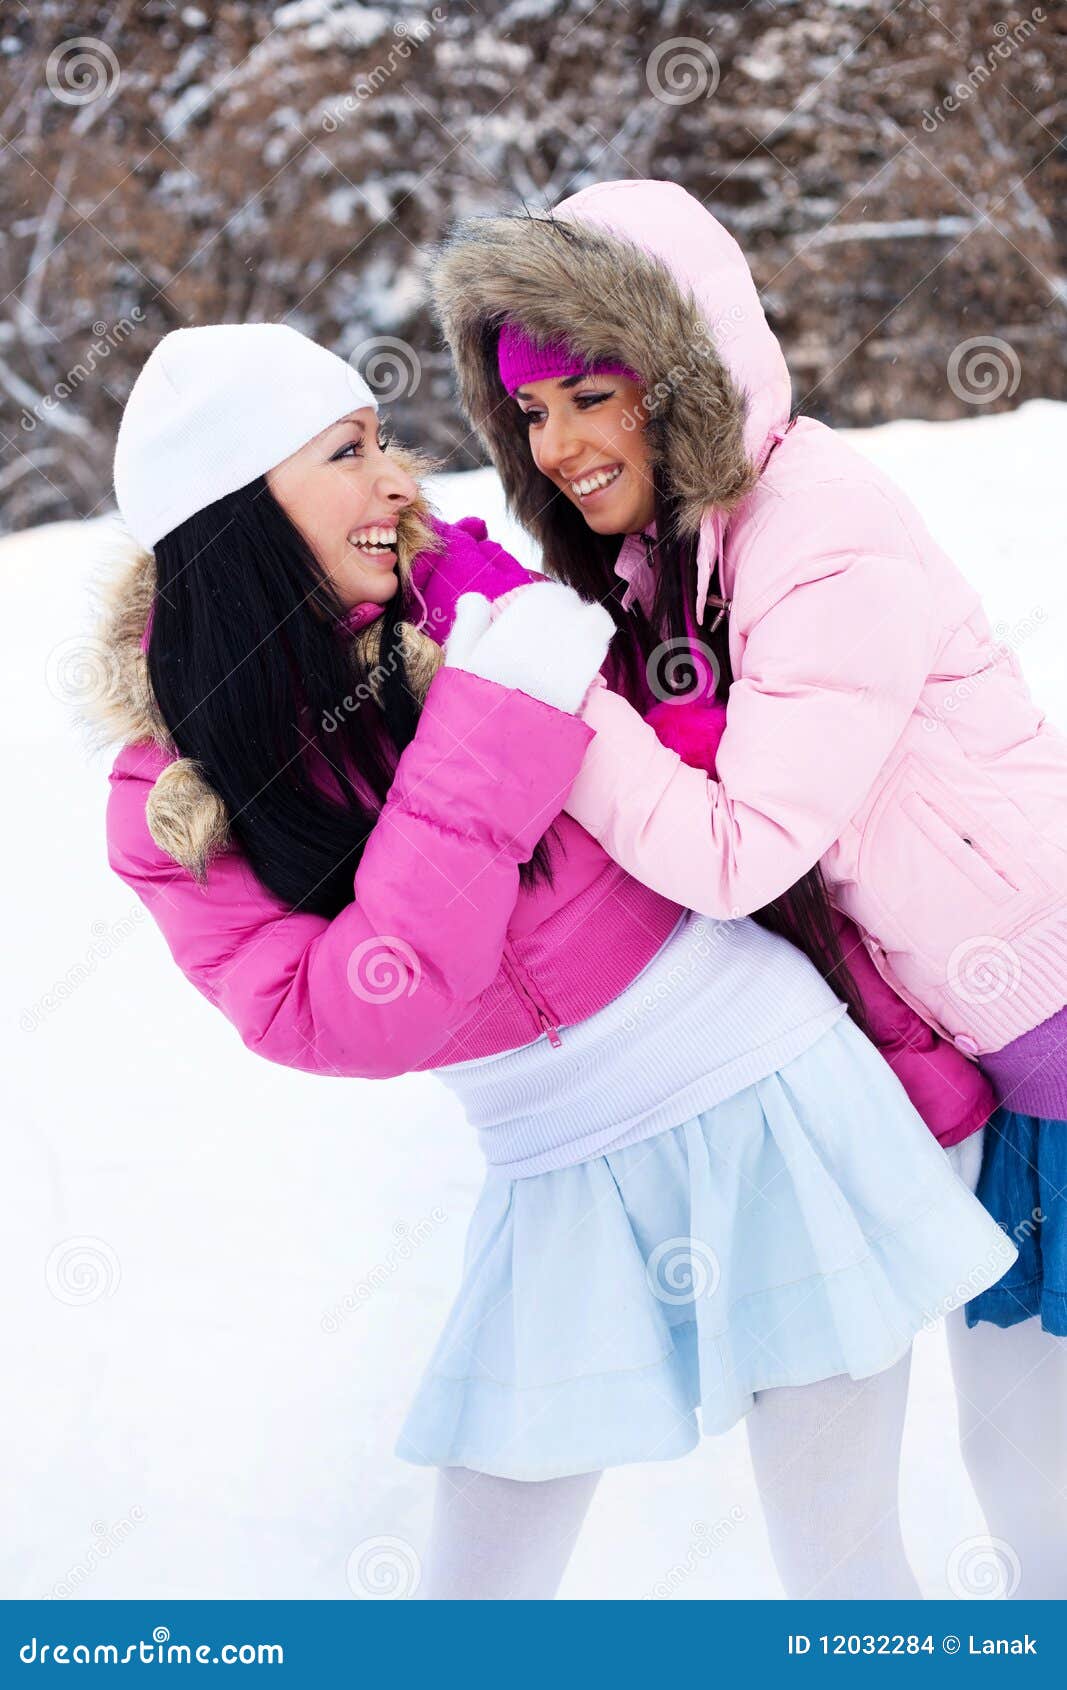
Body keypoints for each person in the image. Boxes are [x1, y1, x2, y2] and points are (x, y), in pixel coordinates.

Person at [90, 321, 1014, 1600]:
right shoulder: (169, 798)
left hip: (767, 1093)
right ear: (241, 511)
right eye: (345, 452)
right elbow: (345, 1016)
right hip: (547, 1168)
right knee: (476, 1596)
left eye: (382, 439)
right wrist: (490, 720)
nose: (398, 480)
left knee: (842, 1562)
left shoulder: (471, 603)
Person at [432, 177, 1067, 1595]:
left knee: (1035, 1479)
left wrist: (551, 694)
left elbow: (735, 850)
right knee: (1024, 1480)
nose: (563, 444)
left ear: (680, 369)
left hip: (1051, 1024)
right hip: (980, 1056)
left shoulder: (811, 523)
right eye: (530, 412)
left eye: (591, 392)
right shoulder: (681, 554)